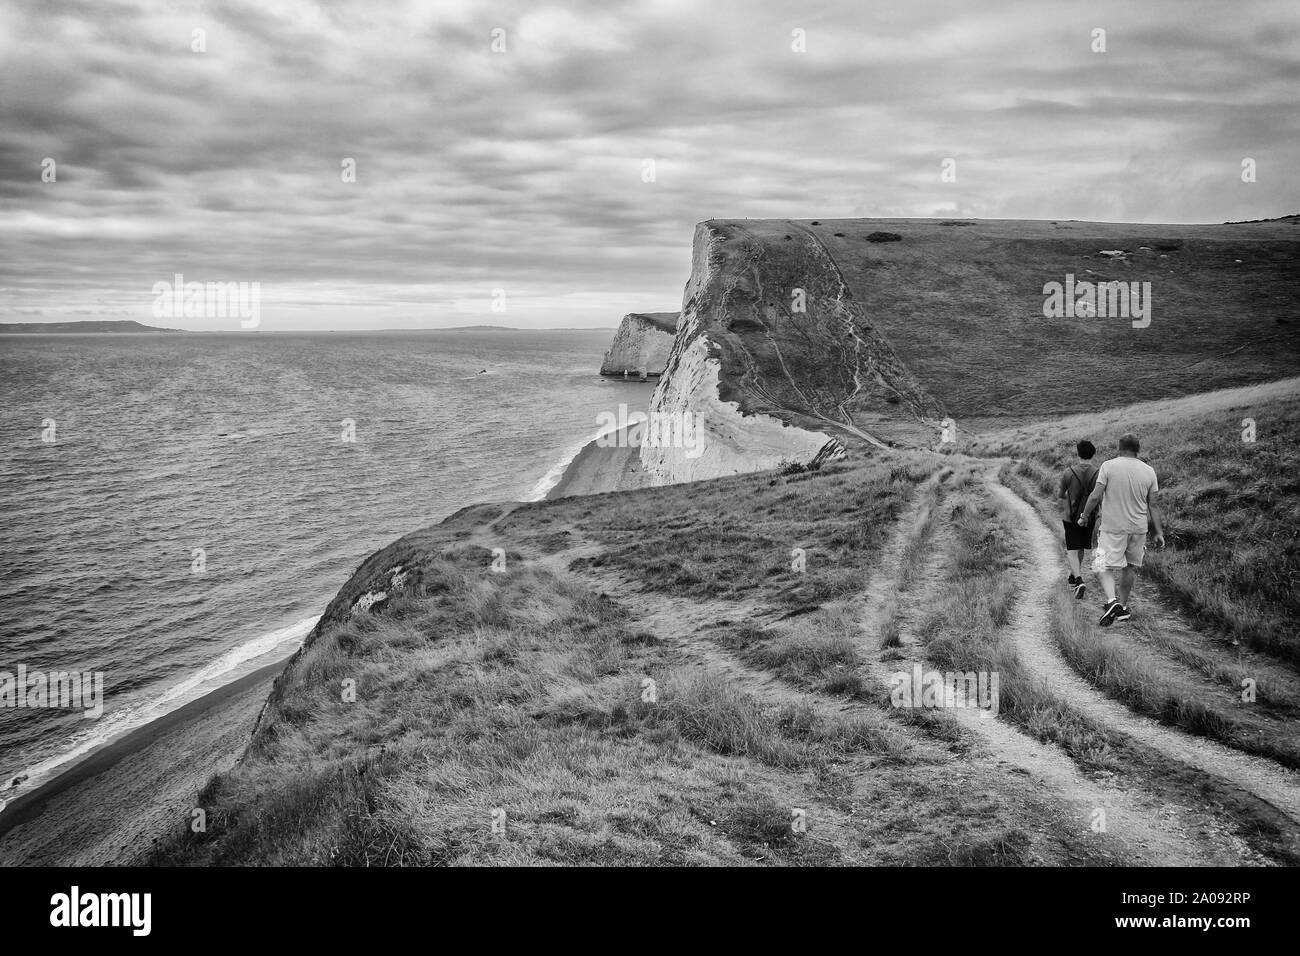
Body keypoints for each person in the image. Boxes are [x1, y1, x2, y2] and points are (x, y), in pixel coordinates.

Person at [1077, 432, 1165, 626]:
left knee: (1100, 564)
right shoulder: (1149, 471)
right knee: (1130, 567)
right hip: (1138, 529)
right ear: (1138, 449)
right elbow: (1154, 505)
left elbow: (1095, 496)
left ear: (1119, 448)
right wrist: (1158, 532)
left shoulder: (1108, 466)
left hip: (1112, 528)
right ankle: (1122, 608)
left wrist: (1084, 517)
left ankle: (1111, 601)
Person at [1058, 440, 1099, 599]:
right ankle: (1074, 574)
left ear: (1078, 453)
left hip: (1070, 516)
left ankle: (1079, 579)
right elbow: (1099, 496)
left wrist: (1071, 496)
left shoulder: (1068, 472)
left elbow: (1060, 495)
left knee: (1071, 549)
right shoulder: (1098, 473)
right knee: (1081, 547)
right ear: (1092, 454)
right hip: (1089, 517)